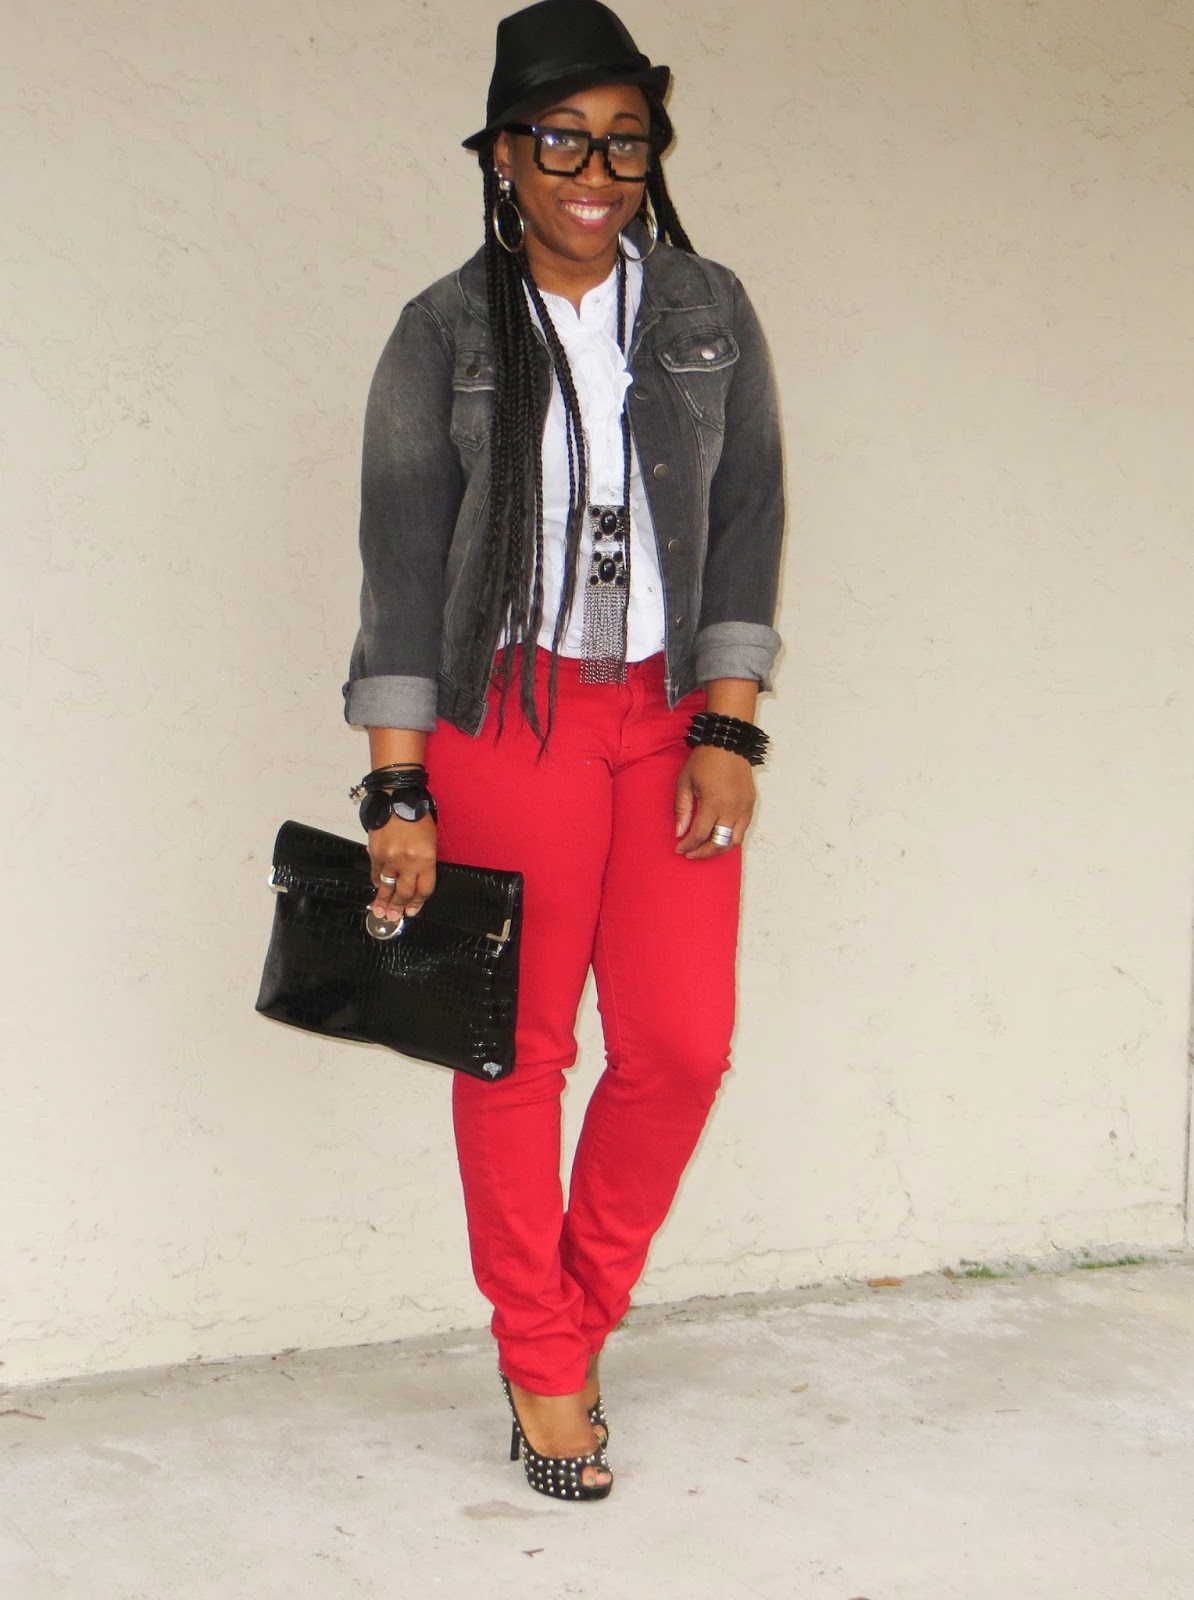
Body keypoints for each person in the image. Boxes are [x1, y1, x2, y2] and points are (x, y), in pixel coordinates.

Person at [344, 0, 785, 1501]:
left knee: (677, 1045)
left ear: (649, 153)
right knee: (520, 1049)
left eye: (622, 139)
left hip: (665, 713)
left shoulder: (706, 309)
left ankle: (573, 1317)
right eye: (558, 139)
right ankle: (542, 1357)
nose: (591, 169)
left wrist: (727, 723)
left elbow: (744, 528)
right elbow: (401, 569)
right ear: (501, 154)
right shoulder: (444, 331)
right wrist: (398, 786)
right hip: (506, 715)